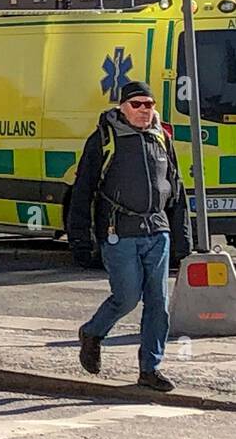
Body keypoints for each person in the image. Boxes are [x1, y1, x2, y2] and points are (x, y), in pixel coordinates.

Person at [68, 81, 192, 392]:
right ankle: (93, 333)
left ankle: (150, 369)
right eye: (136, 104)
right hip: (118, 232)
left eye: (148, 104)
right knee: (126, 297)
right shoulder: (104, 139)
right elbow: (83, 189)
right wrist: (80, 238)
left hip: (157, 231)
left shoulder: (161, 138)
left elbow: (176, 190)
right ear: (123, 106)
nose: (143, 110)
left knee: (158, 304)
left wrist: (183, 239)